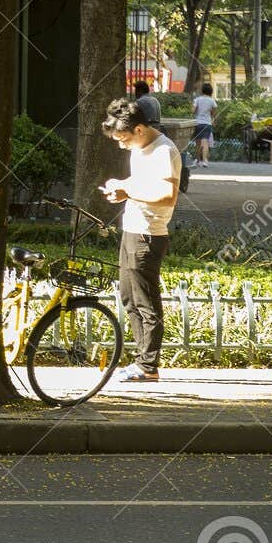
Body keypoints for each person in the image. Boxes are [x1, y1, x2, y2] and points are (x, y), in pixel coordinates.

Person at [100, 97, 180, 383]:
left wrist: (128, 193)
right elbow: (142, 183)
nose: (121, 145)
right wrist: (121, 186)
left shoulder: (163, 151)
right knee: (128, 297)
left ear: (140, 129)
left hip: (148, 234)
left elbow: (168, 196)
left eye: (123, 139)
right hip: (133, 229)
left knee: (146, 302)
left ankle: (148, 366)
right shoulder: (140, 147)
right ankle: (141, 361)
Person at [191, 82, 218, 167]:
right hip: (207, 123)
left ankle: (198, 161)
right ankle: (205, 161)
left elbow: (192, 110)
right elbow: (214, 114)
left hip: (198, 123)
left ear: (202, 90)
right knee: (205, 142)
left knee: (198, 143)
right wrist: (214, 121)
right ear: (211, 91)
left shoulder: (198, 99)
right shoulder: (212, 101)